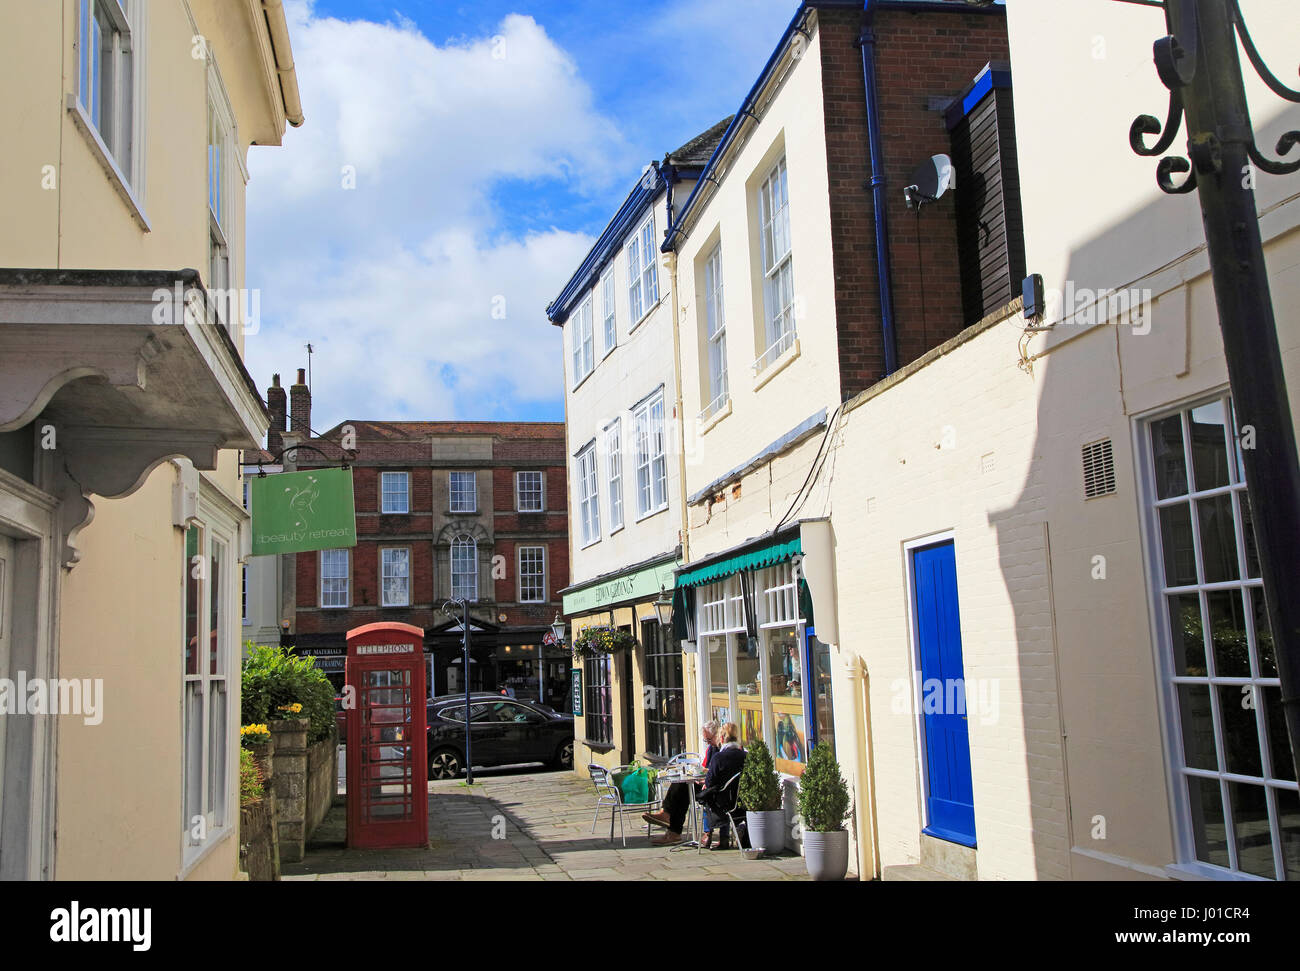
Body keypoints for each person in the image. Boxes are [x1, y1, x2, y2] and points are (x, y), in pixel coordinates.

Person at [642, 721, 720, 846]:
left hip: (715, 788)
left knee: (682, 788)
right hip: (705, 782)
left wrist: (704, 777)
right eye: (706, 740)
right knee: (680, 786)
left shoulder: (722, 750)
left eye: (709, 739)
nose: (708, 743)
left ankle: (671, 827)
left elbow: (718, 772)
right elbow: (704, 767)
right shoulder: (712, 749)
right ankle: (670, 825)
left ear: (718, 734)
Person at [697, 722, 746, 851]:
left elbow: (710, 781)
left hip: (721, 802)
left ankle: (708, 834)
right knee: (716, 794)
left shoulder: (718, 758)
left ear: (722, 738)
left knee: (706, 795)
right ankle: (724, 838)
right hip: (741, 801)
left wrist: (704, 785)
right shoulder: (745, 755)